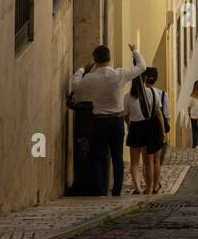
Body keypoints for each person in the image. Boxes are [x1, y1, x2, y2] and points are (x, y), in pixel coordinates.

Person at [70, 42, 145, 196]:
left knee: (97, 156)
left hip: (99, 121)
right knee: (117, 156)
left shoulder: (90, 78)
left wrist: (82, 69)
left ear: (95, 61)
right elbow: (141, 67)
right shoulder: (119, 74)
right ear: (110, 59)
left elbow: (75, 85)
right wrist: (135, 51)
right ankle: (117, 190)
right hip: (117, 121)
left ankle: (100, 189)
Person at [124, 72, 152, 195]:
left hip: (134, 127)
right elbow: (156, 110)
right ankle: (149, 187)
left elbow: (125, 115)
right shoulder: (151, 93)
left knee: (134, 162)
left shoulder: (128, 96)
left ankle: (137, 188)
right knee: (147, 162)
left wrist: (129, 125)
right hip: (147, 127)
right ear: (145, 79)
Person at [142, 68, 168, 195]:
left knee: (146, 160)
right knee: (156, 160)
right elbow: (164, 114)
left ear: (144, 78)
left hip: (143, 126)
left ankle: (148, 185)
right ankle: (155, 185)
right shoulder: (162, 94)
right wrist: (164, 132)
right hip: (156, 127)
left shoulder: (139, 93)